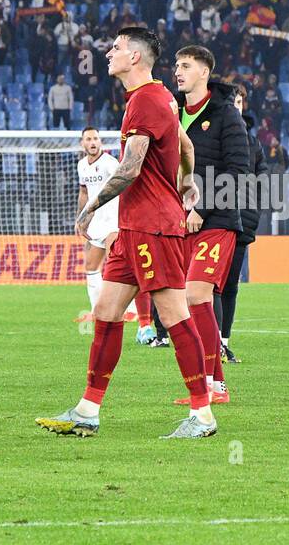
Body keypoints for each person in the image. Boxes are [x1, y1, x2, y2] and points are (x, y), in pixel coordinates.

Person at [36, 26, 217, 440]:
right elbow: (185, 147)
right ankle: (87, 409)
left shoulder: (147, 100)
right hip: (133, 227)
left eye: (115, 48)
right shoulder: (160, 99)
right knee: (106, 311)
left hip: (153, 227)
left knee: (173, 315)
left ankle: (203, 414)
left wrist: (91, 206)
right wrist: (186, 182)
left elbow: (131, 167)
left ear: (134, 57)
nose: (108, 53)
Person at [169, 45, 249, 407]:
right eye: (176, 65)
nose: (178, 71)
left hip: (216, 220)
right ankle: (215, 385)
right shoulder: (171, 112)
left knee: (196, 294)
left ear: (205, 71)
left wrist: (202, 204)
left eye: (185, 65)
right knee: (193, 302)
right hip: (179, 222)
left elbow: (238, 171)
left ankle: (208, 387)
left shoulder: (226, 115)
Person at [214, 85, 265, 364]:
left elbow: (262, 180)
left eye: (240, 100)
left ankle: (223, 342)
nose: (237, 105)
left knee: (231, 284)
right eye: (233, 100)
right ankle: (204, 342)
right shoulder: (214, 135)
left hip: (241, 222)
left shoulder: (253, 144)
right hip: (214, 219)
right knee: (212, 285)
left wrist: (251, 213)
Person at [76, 126, 124, 322]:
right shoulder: (81, 165)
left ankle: (128, 310)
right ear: (82, 143)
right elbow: (84, 193)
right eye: (88, 139)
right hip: (95, 223)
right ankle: (96, 311)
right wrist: (80, 218)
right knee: (91, 265)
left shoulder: (110, 163)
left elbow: (122, 186)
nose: (92, 142)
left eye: (95, 138)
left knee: (117, 267)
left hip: (113, 221)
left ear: (100, 142)